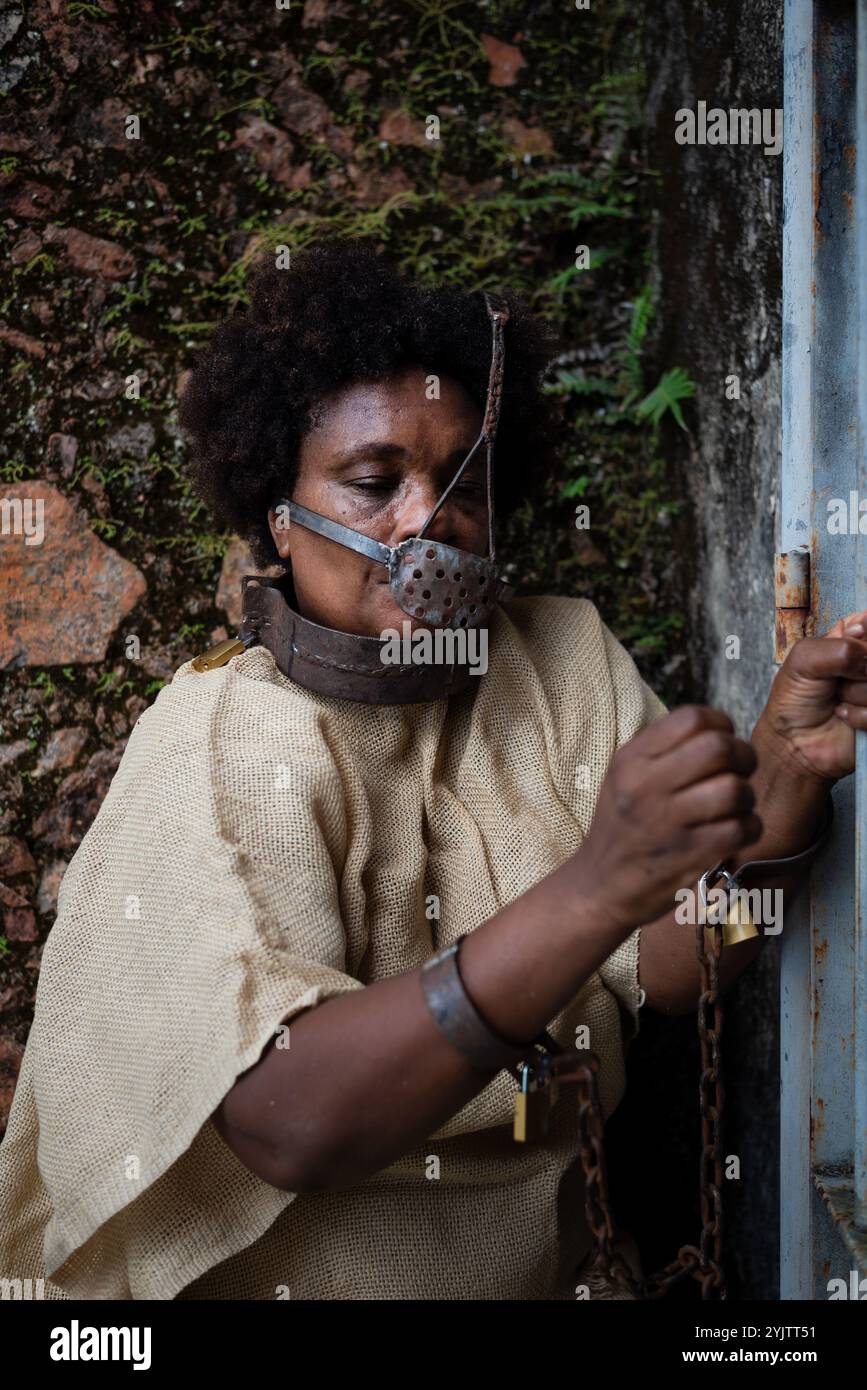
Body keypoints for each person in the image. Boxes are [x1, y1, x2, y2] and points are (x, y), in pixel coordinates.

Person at [0, 238, 864, 1302]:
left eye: (462, 482)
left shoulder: (560, 660)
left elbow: (677, 966)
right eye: (373, 482)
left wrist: (784, 776)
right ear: (279, 510)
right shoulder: (222, 737)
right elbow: (291, 1117)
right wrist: (593, 884)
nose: (427, 521)